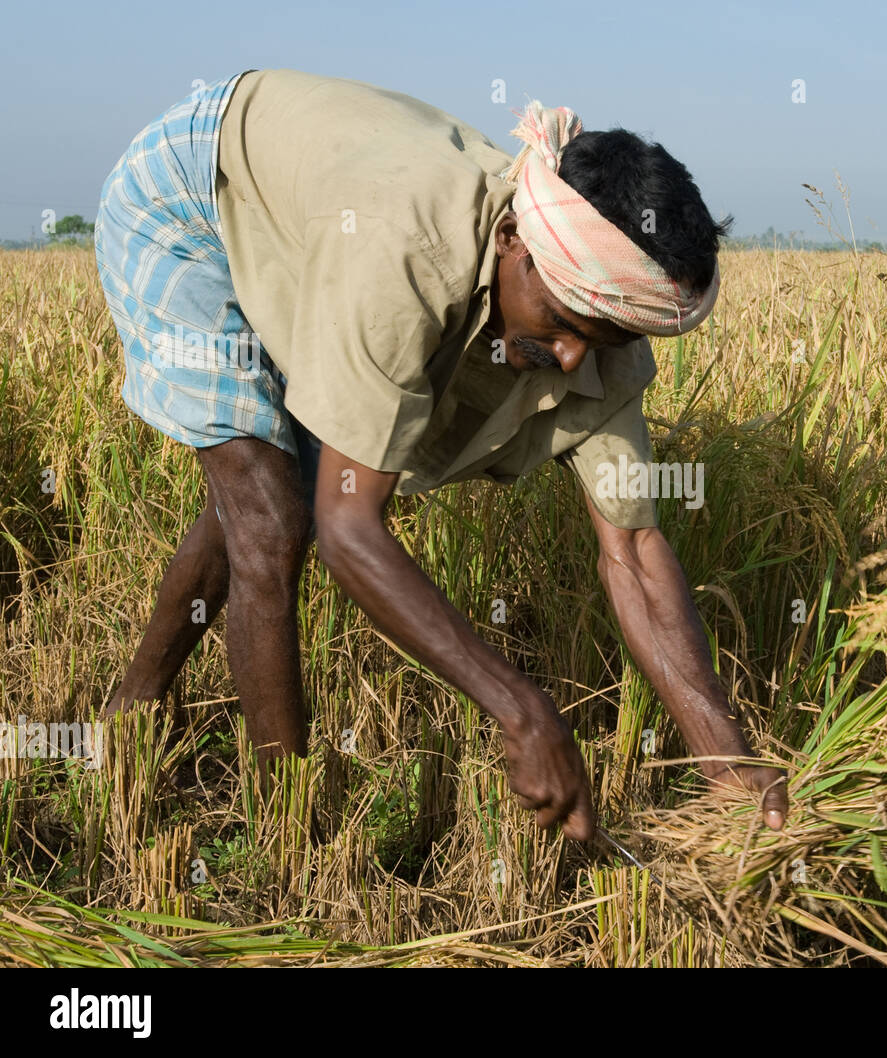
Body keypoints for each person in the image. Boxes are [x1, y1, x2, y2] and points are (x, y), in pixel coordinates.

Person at [93, 69, 787, 840]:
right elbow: (351, 526)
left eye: (600, 338)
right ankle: (287, 834)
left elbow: (633, 549)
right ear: (513, 239)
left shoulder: (600, 339)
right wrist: (521, 711)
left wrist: (728, 766)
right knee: (271, 514)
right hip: (197, 196)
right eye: (558, 321)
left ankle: (131, 715)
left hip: (317, 226)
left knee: (259, 499)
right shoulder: (407, 254)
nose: (567, 360)